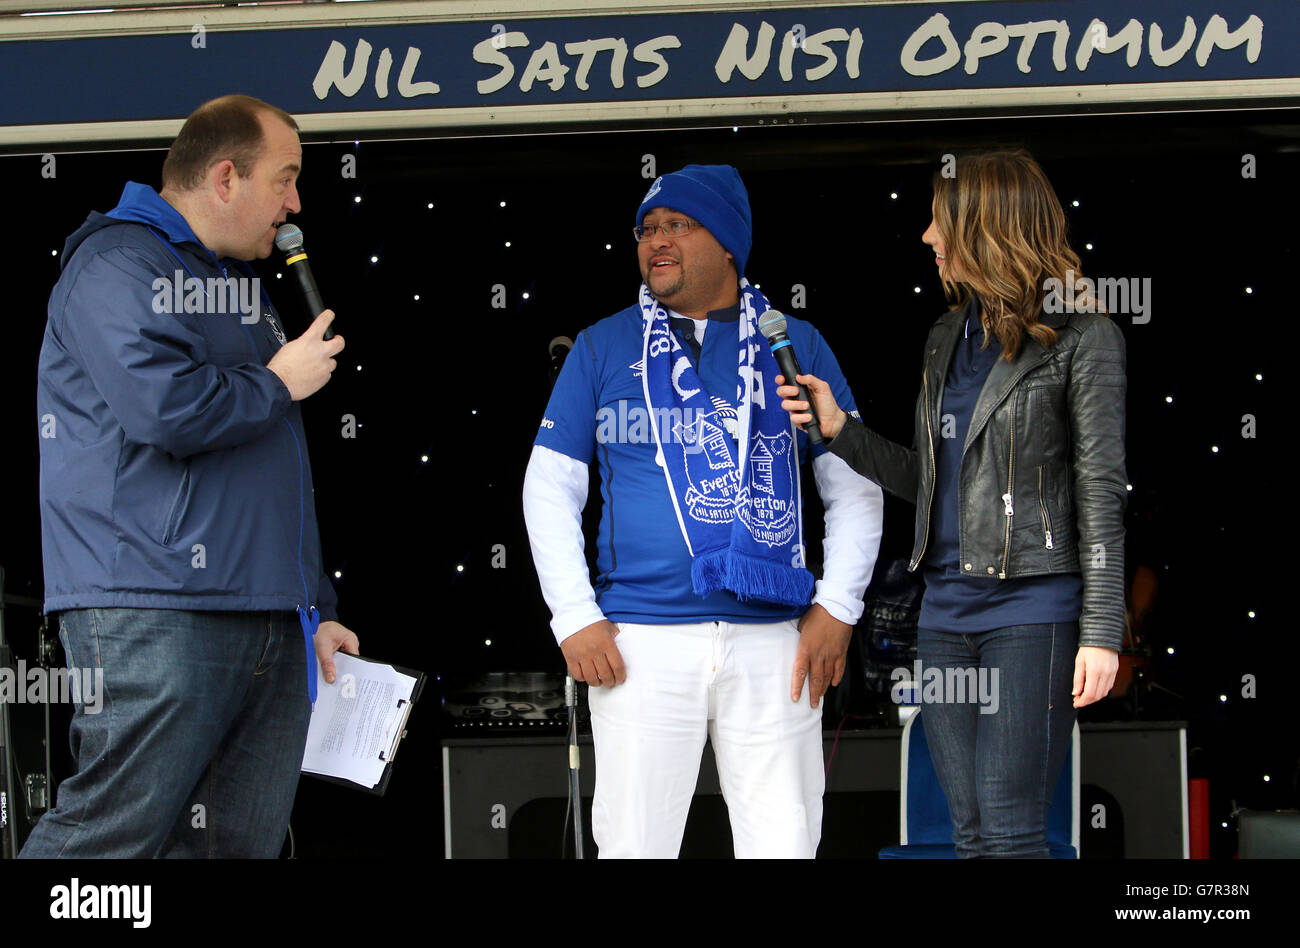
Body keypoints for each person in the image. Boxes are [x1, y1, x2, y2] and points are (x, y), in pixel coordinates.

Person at [23, 94, 358, 858]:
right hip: (157, 604)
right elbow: (164, 411)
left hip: (262, 611)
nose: (297, 203)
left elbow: (270, 466)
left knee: (233, 843)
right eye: (286, 179)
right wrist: (277, 383)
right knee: (110, 835)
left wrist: (312, 603)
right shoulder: (118, 262)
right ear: (226, 177)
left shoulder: (236, 285)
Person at [523, 164, 883, 858]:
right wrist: (574, 615)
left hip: (778, 641)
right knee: (634, 848)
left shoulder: (794, 346)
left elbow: (856, 485)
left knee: (785, 845)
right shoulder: (602, 345)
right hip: (640, 642)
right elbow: (549, 488)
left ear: (727, 244)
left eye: (678, 225)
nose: (656, 240)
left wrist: (838, 608)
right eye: (646, 229)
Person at [779, 149, 1126, 858]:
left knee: (1009, 831)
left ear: (984, 227)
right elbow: (928, 479)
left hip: (1032, 611)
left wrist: (1101, 629)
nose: (928, 238)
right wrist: (840, 431)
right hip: (944, 614)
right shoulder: (946, 337)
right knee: (968, 833)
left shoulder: (1084, 337)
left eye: (940, 222)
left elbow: (1099, 491)